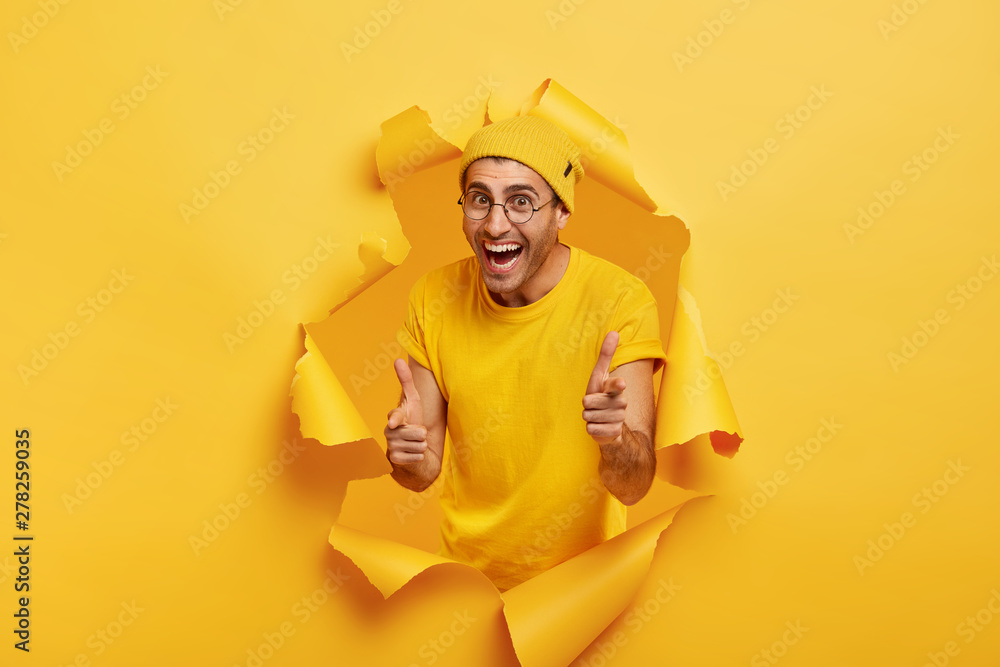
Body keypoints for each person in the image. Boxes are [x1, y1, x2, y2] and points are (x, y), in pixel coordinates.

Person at [384, 115, 667, 591]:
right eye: (480, 200)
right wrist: (406, 454)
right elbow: (421, 472)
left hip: (581, 595)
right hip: (464, 589)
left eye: (521, 202)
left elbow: (634, 487)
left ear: (561, 212)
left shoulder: (620, 301)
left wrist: (614, 439)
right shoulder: (433, 298)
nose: (496, 225)